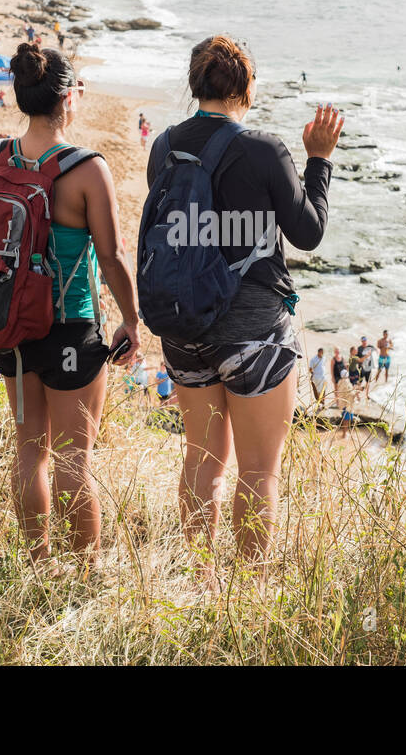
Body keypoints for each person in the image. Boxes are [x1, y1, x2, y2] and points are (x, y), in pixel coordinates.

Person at [149, 35, 342, 584]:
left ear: (196, 84)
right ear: (248, 87)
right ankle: (250, 596)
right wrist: (319, 162)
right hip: (255, 331)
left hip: (185, 327)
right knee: (259, 471)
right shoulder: (263, 150)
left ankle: (198, 583)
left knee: (201, 461)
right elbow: (307, 233)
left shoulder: (163, 148)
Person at [0, 43, 140, 573]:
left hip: (13, 328)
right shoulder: (87, 168)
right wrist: (132, 321)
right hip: (70, 325)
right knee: (75, 457)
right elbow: (113, 257)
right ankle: (86, 571)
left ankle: (38, 563)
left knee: (30, 451)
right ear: (68, 99)